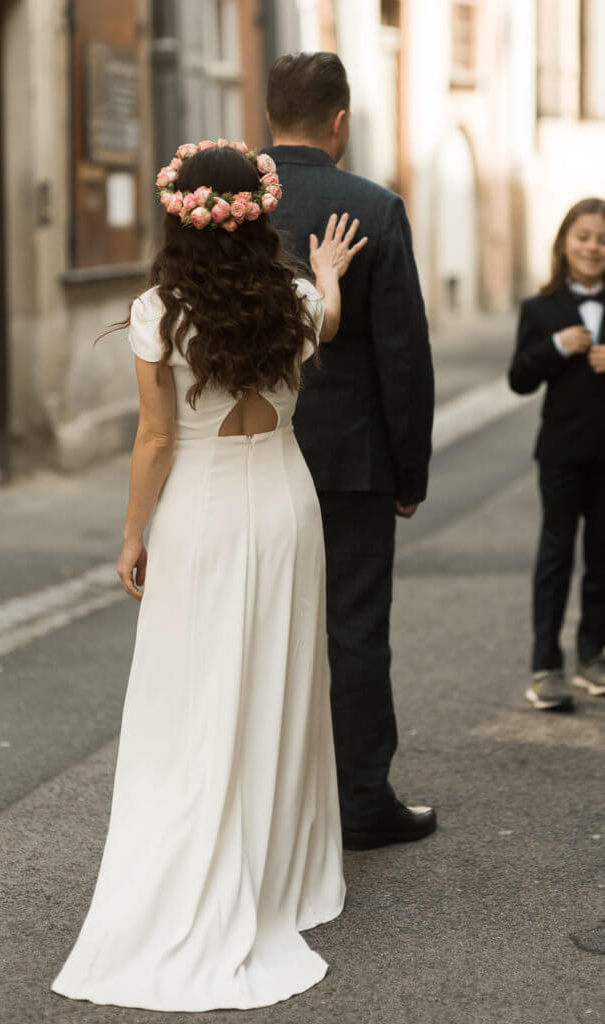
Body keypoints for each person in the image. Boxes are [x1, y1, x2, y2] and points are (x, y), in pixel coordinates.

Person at [51, 141, 368, 1011]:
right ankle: (282, 869)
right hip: (288, 504)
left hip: (202, 513)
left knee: (190, 690)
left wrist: (131, 534)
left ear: (180, 216)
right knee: (281, 680)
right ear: (260, 214)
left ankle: (201, 844)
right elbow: (331, 322)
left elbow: (157, 439)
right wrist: (328, 273)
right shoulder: (296, 299)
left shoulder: (158, 312)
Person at [264, 52, 436, 851]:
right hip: (351, 459)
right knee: (354, 629)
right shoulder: (372, 206)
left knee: (264, 626)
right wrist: (410, 470)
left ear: (270, 115)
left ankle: (269, 802)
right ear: (340, 121)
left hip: (250, 451)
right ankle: (362, 801)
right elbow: (403, 352)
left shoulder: (226, 203)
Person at [509, 197, 605, 710]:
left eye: (602, 240)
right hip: (562, 454)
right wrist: (556, 347)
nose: (593, 247)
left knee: (602, 558)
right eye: (583, 237)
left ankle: (594, 655)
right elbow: (519, 378)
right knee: (556, 555)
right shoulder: (539, 309)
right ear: (565, 243)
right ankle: (546, 665)